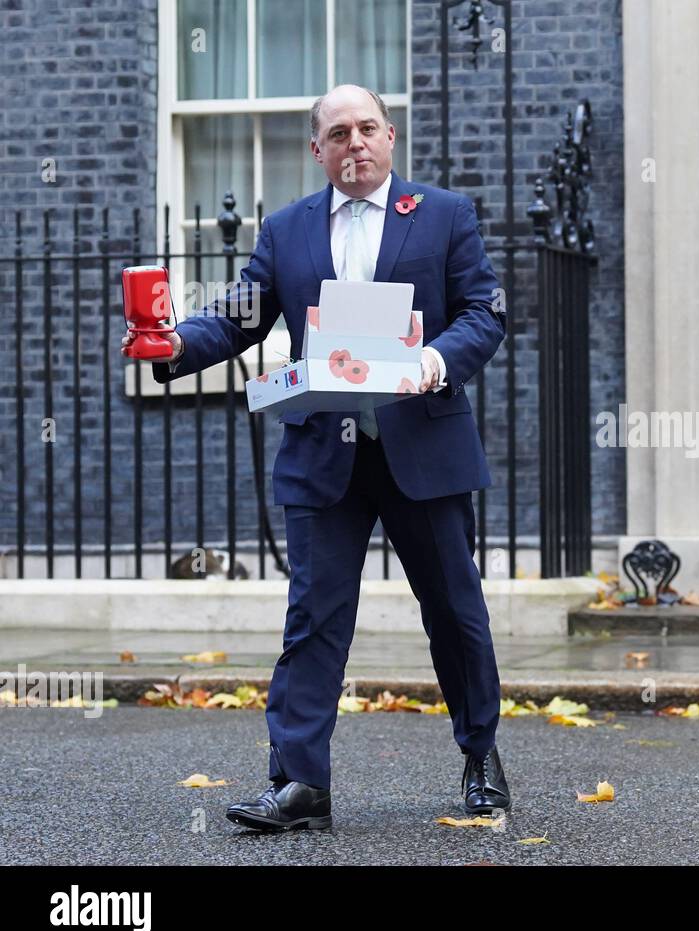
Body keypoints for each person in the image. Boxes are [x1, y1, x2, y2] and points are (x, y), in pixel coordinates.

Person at [121, 84, 511, 830]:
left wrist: (433, 361)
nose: (354, 143)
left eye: (367, 128)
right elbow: (240, 316)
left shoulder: (444, 216)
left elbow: (482, 313)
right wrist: (172, 345)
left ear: (390, 137)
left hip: (421, 442)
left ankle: (481, 758)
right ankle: (301, 783)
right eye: (338, 133)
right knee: (313, 618)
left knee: (455, 611)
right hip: (323, 452)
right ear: (318, 149)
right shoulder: (288, 229)